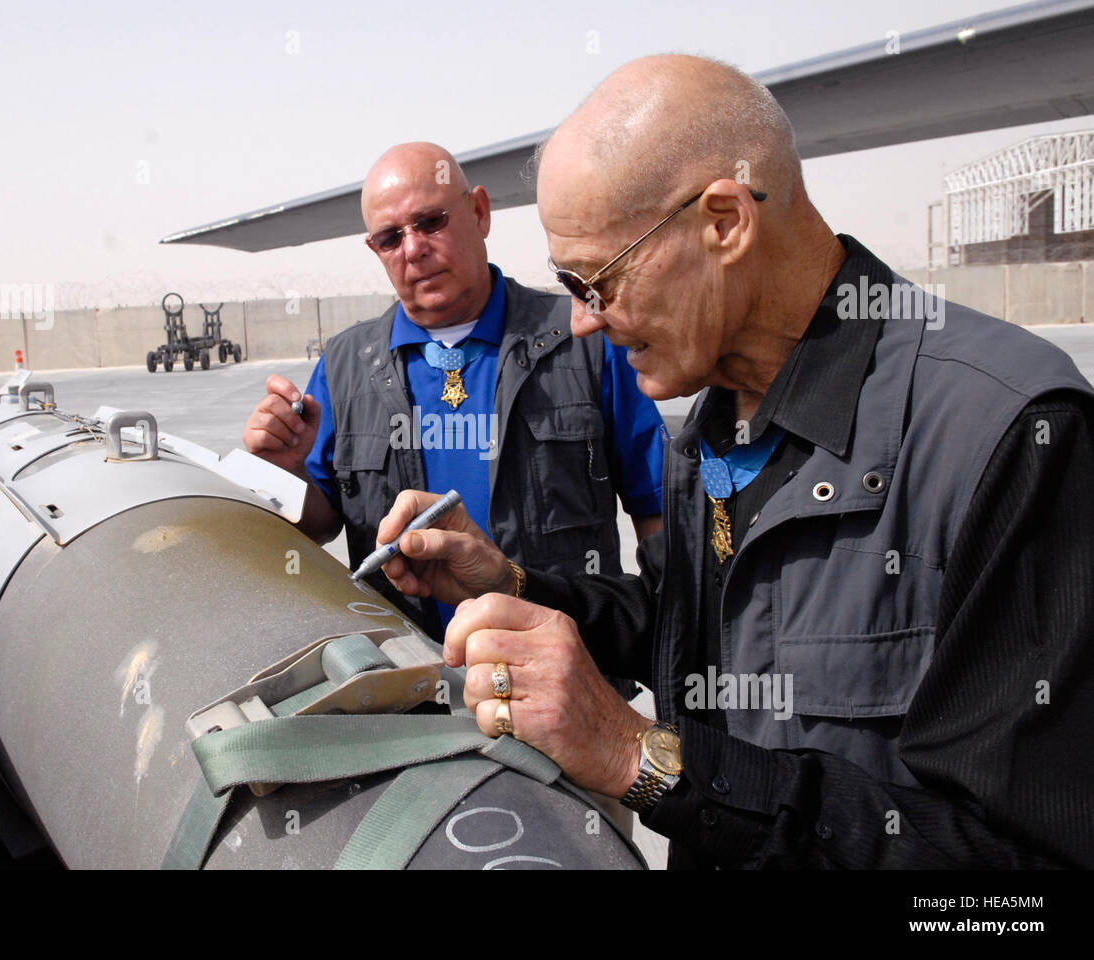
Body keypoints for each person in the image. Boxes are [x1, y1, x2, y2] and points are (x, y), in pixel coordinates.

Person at [374, 56, 1094, 868]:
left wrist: (647, 762)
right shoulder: (719, 422)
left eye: (597, 281)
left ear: (723, 221)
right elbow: (703, 634)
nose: (581, 321)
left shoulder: (1008, 437)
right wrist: (511, 585)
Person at [243, 142, 668, 643]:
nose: (414, 248)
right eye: (389, 237)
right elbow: (319, 524)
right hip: (410, 694)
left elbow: (657, 508)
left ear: (480, 212)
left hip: (557, 681)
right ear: (375, 249)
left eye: (430, 222)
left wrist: (667, 647)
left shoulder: (584, 341)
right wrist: (286, 470)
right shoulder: (343, 367)